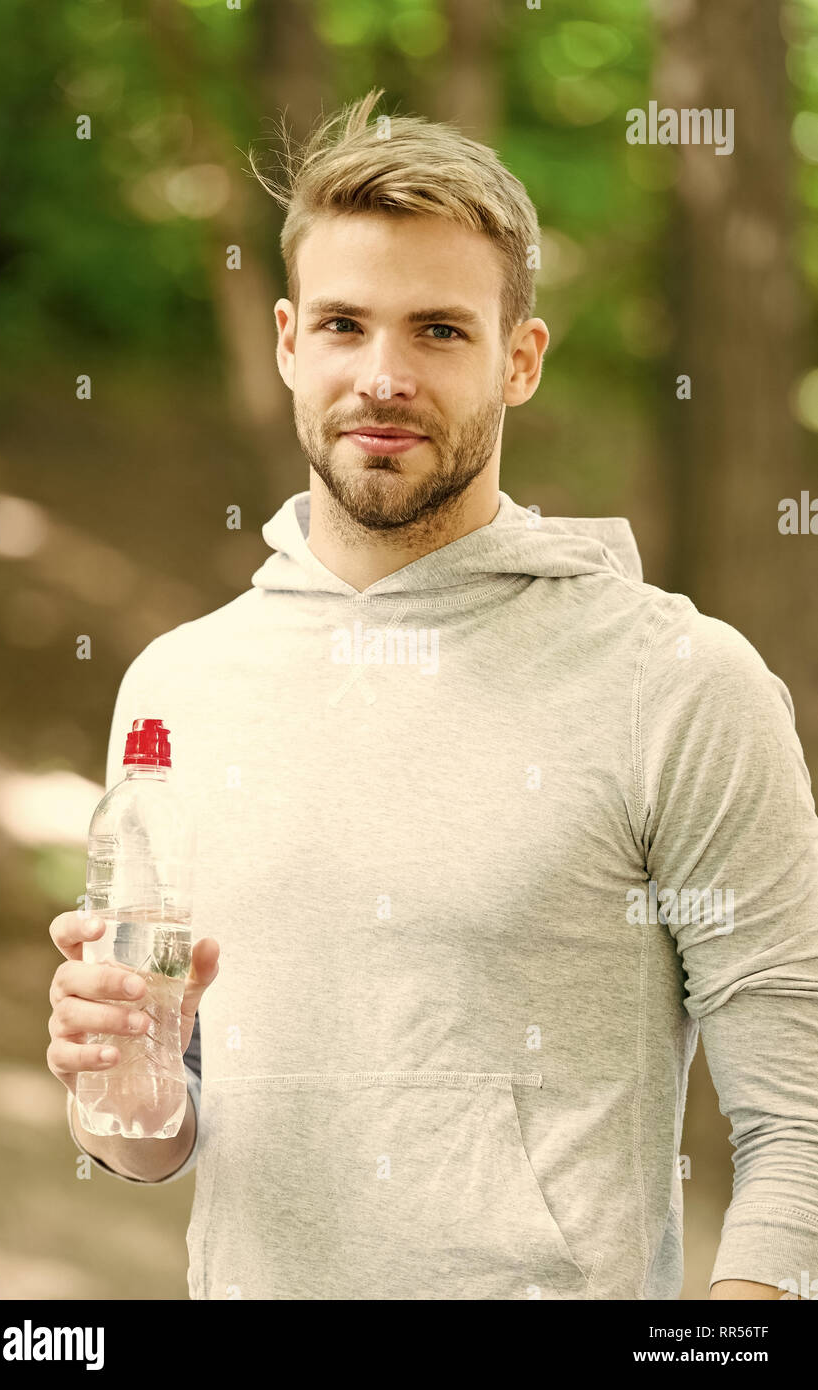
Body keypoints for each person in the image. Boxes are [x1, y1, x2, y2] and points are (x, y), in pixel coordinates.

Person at [48, 88, 818, 1301]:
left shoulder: (678, 684)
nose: (384, 376)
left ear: (520, 359)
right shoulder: (179, 688)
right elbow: (156, 1138)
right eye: (347, 325)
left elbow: (802, 1130)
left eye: (440, 331)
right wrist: (136, 1106)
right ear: (290, 342)